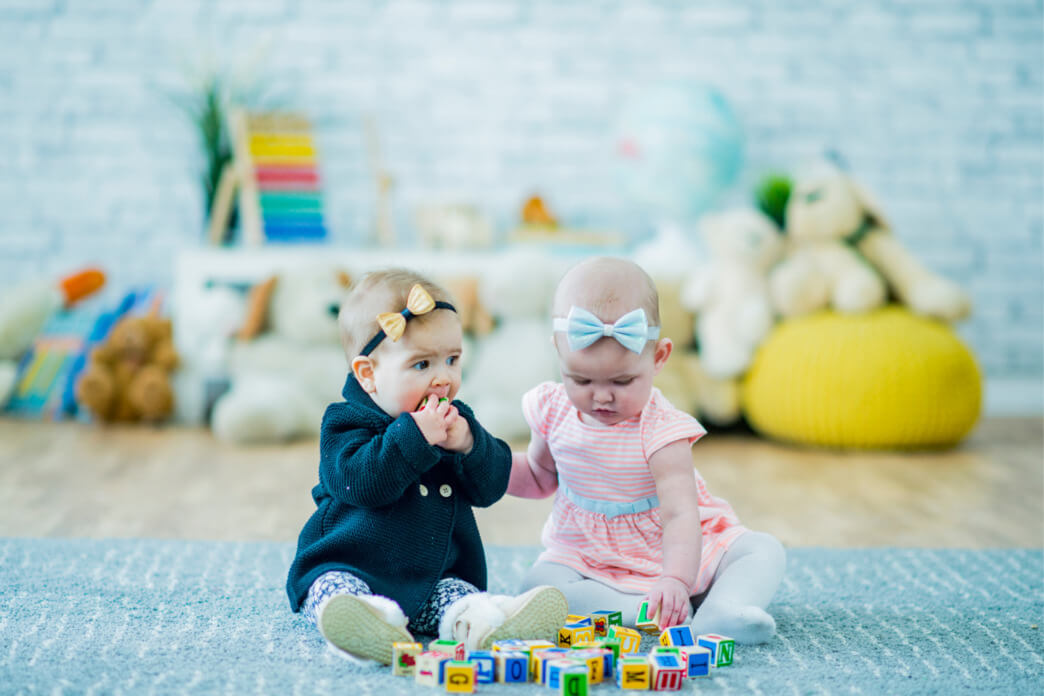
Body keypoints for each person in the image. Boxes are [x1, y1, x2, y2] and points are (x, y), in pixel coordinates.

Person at [287, 269, 566, 664]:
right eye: (421, 365)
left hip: (432, 576)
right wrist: (414, 438)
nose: (443, 378)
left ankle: (490, 623)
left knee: (460, 598)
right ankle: (364, 626)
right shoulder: (344, 423)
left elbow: (490, 487)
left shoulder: (456, 423)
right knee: (331, 591)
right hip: (350, 564)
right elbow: (360, 484)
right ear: (368, 374)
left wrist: (469, 445)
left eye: (452, 359)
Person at [508, 257, 785, 643]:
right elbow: (538, 478)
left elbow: (680, 515)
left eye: (622, 381)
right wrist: (473, 457)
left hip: (674, 548)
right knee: (537, 586)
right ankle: (641, 608)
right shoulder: (551, 410)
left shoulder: (662, 430)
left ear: (658, 358)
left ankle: (722, 608)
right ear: (558, 351)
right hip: (587, 553)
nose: (601, 397)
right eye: (581, 379)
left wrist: (676, 579)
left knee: (761, 549)